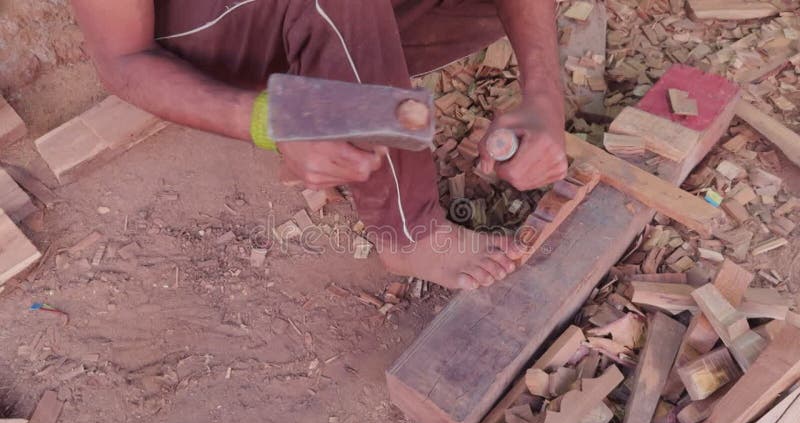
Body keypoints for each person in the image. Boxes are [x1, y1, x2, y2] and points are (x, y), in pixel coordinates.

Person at [69, 0, 567, 290]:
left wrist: (544, 96)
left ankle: (347, 51)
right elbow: (123, 58)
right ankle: (409, 230)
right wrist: (275, 118)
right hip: (215, 32)